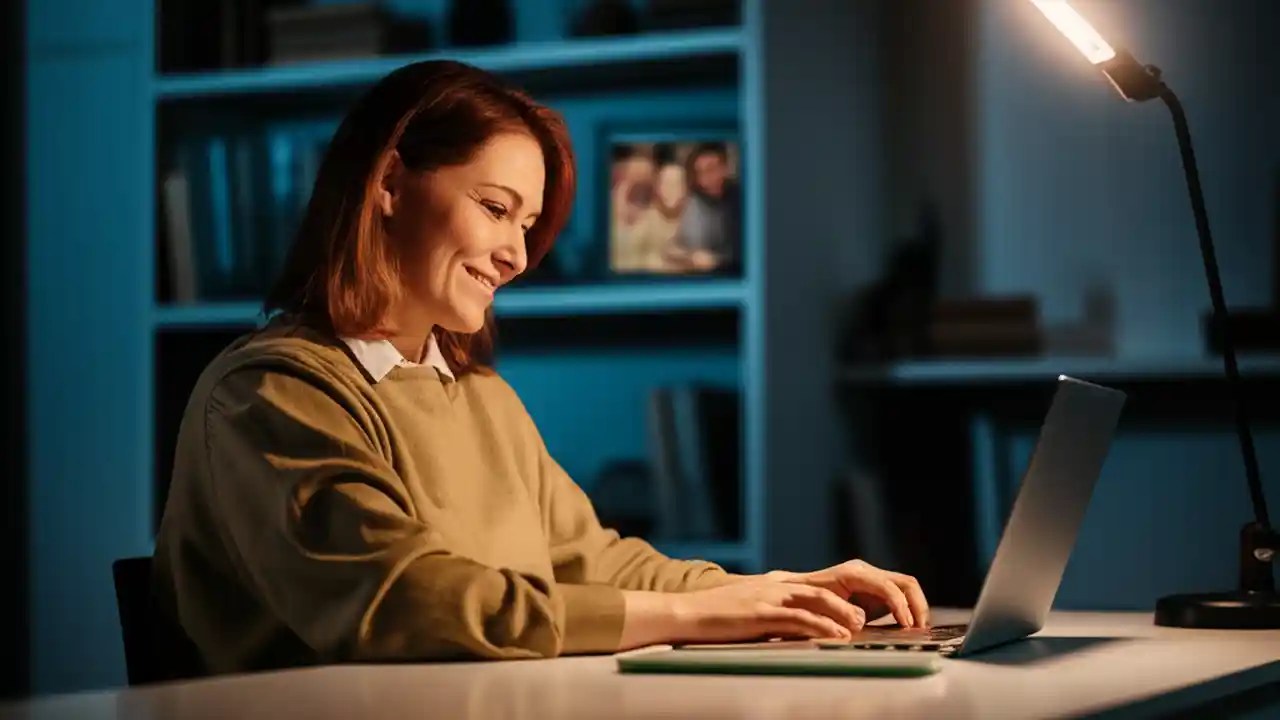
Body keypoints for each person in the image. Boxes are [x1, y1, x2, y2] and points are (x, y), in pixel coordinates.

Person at [152, 59, 930, 676]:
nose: (517, 255)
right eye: (496, 209)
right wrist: (703, 617)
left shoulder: (481, 399)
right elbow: (405, 601)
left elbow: (597, 561)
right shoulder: (270, 394)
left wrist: (773, 593)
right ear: (388, 183)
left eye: (526, 225)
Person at [672, 142, 740, 271]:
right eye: (699, 172)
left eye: (710, 170)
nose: (704, 180)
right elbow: (678, 246)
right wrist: (689, 256)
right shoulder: (695, 201)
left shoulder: (741, 199)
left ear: (724, 169)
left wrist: (717, 261)